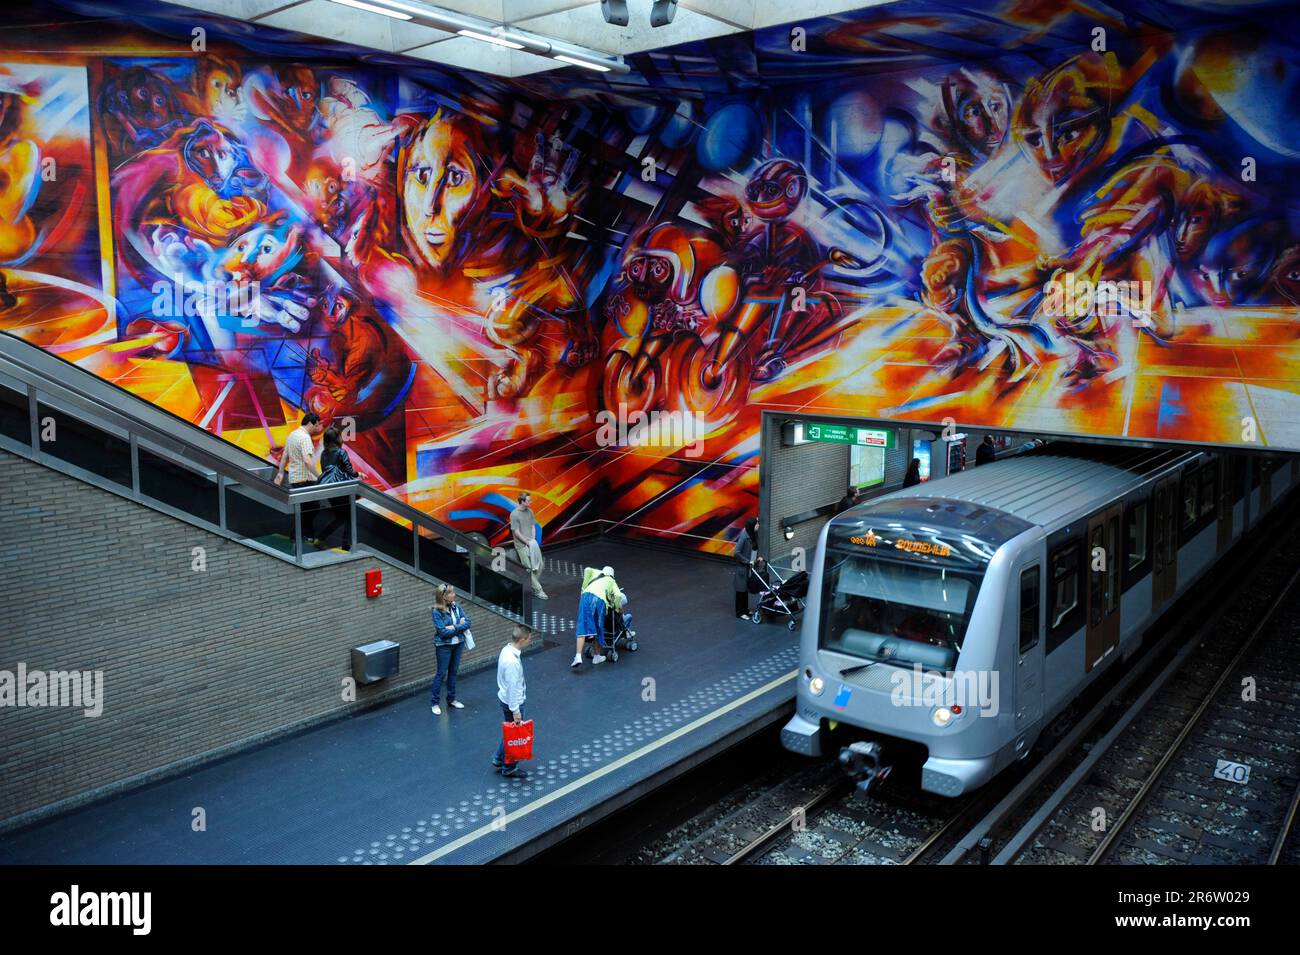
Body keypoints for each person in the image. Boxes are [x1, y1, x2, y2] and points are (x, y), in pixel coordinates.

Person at [493, 625, 533, 779]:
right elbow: (512, 687)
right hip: (513, 703)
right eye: (529, 638)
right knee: (515, 735)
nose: (530, 641)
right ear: (522, 639)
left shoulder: (506, 650)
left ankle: (498, 758)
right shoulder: (512, 663)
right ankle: (509, 767)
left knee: (509, 732)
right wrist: (516, 710)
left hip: (505, 699)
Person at [315, 426, 360, 549]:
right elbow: (349, 470)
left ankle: (321, 537)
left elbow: (325, 471)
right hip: (343, 490)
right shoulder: (341, 452)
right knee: (349, 517)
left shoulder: (324, 454)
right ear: (337, 439)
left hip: (330, 491)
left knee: (341, 517)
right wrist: (358, 474)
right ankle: (346, 546)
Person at [430, 584, 469, 716]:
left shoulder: (456, 607)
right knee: (441, 673)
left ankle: (451, 699)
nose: (454, 595)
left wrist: (453, 627)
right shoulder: (436, 611)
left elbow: (468, 622)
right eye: (452, 593)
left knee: (453, 672)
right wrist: (459, 626)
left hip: (458, 644)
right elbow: (442, 632)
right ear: (444, 596)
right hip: (444, 646)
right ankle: (435, 703)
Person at [510, 491, 548, 599]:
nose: (530, 502)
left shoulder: (530, 511)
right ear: (522, 502)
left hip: (531, 543)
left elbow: (532, 526)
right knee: (528, 568)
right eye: (528, 500)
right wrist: (526, 542)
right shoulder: (514, 514)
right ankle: (538, 590)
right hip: (521, 545)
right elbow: (516, 532)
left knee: (540, 565)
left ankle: (528, 585)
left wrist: (532, 540)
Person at [273, 412, 324, 488]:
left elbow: (285, 456)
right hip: (306, 480)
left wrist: (280, 473)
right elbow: (307, 460)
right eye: (316, 426)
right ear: (310, 423)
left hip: (294, 480)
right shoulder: (305, 437)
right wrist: (320, 477)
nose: (316, 429)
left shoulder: (292, 434)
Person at [573, 566, 610, 669]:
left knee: (582, 625)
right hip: (600, 601)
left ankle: (578, 656)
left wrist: (583, 588)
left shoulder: (595, 571)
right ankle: (597, 656)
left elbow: (587, 570)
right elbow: (618, 597)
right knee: (598, 627)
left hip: (586, 597)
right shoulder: (611, 581)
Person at [734, 517, 760, 620]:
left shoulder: (753, 535)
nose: (758, 525)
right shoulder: (744, 537)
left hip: (749, 567)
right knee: (741, 591)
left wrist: (757, 558)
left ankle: (745, 609)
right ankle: (739, 612)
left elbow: (754, 548)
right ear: (752, 525)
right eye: (757, 524)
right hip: (742, 569)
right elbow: (736, 552)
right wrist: (747, 561)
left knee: (745, 589)